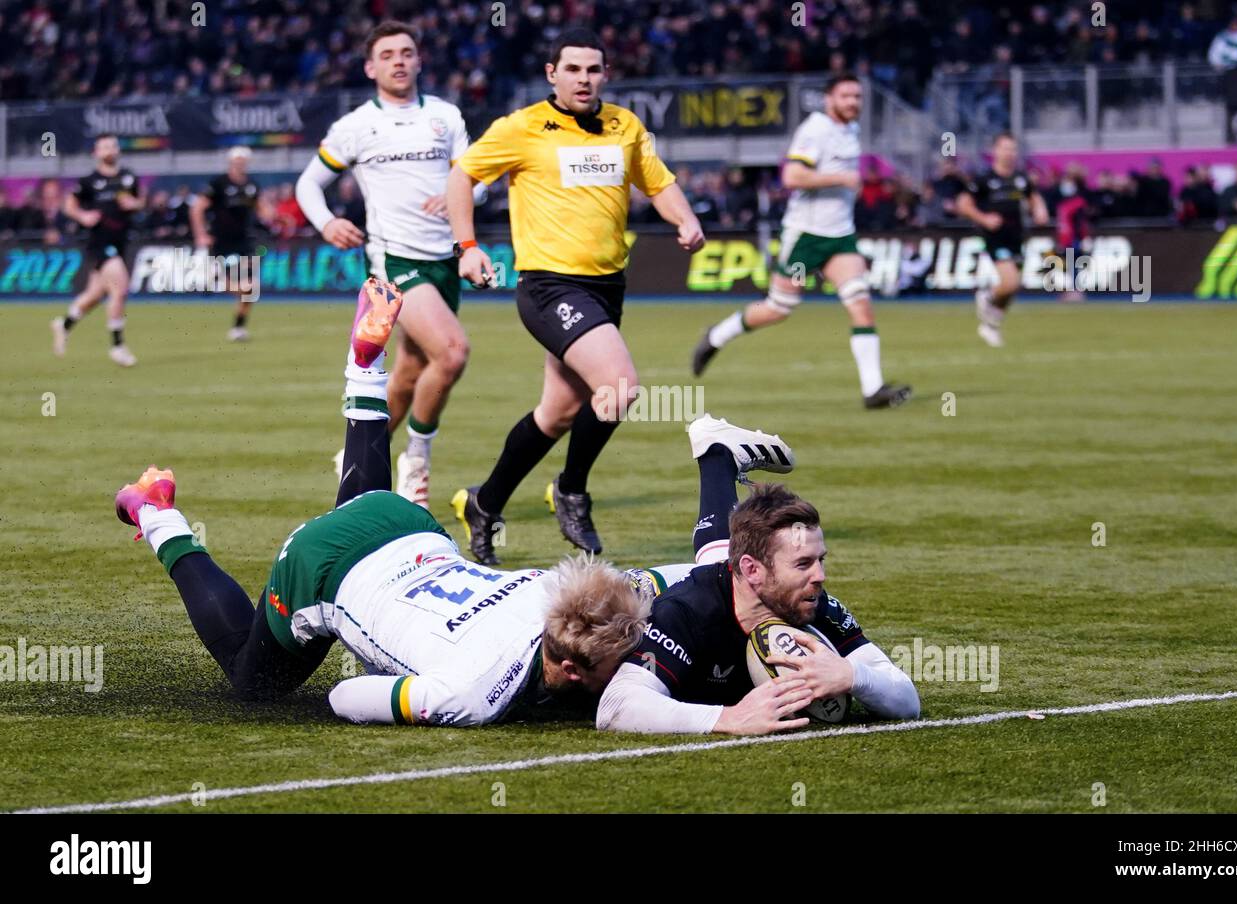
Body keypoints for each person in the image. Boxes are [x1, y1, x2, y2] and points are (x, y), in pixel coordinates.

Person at [114, 278, 799, 726]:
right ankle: (158, 514)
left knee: (362, 504)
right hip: (324, 566)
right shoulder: (473, 693)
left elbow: (703, 573)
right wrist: (414, 692)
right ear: (565, 668)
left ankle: (363, 366)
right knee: (253, 679)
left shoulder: (581, 599)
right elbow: (342, 696)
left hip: (405, 527)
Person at [445, 28, 705, 564]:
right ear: (551, 74)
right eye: (573, 70)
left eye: (593, 70)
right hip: (548, 284)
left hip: (607, 285)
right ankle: (571, 489)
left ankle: (483, 503)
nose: (584, 79)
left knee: (558, 412)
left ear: (605, 74)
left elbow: (657, 183)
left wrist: (686, 219)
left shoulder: (623, 125)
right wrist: (467, 247)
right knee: (619, 387)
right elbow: (462, 175)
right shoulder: (522, 128)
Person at [595, 425, 921, 734]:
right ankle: (716, 456)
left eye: (820, 560)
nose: (820, 577)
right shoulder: (686, 612)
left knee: (729, 554)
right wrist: (727, 717)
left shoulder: (811, 602)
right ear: (753, 570)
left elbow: (907, 701)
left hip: (740, 577)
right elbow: (614, 706)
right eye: (803, 564)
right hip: (638, 588)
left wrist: (853, 676)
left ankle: (717, 455)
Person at [297, 20, 486, 510]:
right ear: (370, 67)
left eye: (406, 52)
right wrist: (325, 223)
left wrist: (458, 195)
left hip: (445, 260)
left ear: (419, 60)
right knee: (452, 352)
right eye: (387, 55)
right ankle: (416, 464)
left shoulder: (445, 116)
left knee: (408, 372)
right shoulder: (357, 125)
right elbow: (307, 184)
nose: (398, 61)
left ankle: (355, 457)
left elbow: (478, 179)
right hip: (393, 260)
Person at [692, 75, 911, 410]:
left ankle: (873, 390)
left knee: (860, 303)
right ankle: (716, 336)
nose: (854, 102)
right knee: (779, 308)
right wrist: (840, 177)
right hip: (806, 238)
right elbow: (792, 177)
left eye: (857, 96)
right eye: (846, 96)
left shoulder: (849, 130)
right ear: (828, 99)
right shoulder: (815, 130)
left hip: (840, 237)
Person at [51, 134, 145, 366]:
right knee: (120, 289)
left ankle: (63, 325)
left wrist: (134, 204)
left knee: (95, 295)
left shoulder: (128, 177)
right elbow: (69, 204)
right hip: (101, 242)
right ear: (96, 153)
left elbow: (140, 201)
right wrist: (82, 215)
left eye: (113, 145)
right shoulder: (88, 181)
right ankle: (117, 346)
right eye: (104, 147)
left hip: (121, 240)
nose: (109, 150)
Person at [954, 132, 1049, 348]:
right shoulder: (984, 179)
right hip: (995, 237)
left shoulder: (1021, 179)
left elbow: (1034, 198)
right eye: (1005, 148)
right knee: (1010, 281)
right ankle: (987, 296)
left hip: (1017, 237)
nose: (1009, 153)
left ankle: (991, 325)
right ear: (995, 151)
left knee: (1011, 289)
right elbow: (963, 203)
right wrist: (983, 218)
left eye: (1013, 149)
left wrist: (1040, 211)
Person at [190, 146, 262, 341]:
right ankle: (216, 282)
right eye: (236, 159)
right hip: (220, 241)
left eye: (243, 159)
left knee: (250, 287)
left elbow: (261, 209)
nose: (240, 163)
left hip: (243, 241)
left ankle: (238, 326)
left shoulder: (252, 186)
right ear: (231, 162)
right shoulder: (218, 183)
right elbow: (197, 209)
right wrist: (201, 235)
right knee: (233, 282)